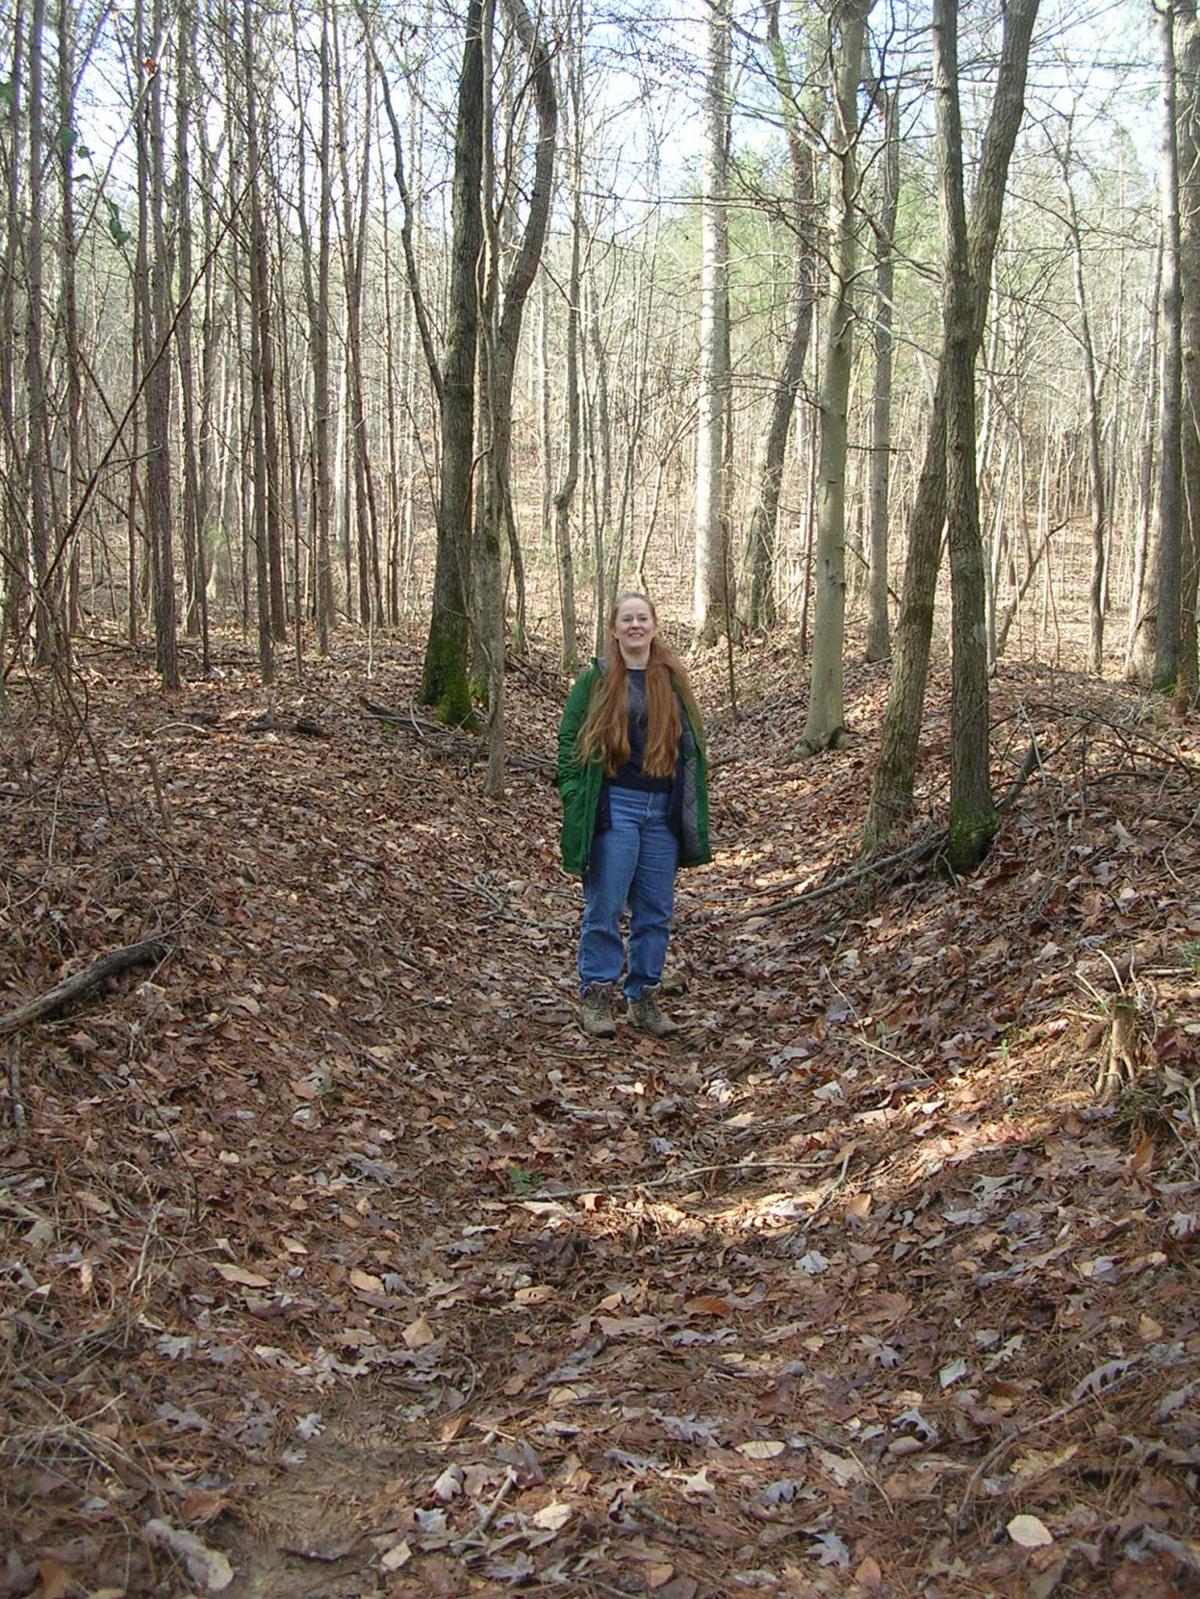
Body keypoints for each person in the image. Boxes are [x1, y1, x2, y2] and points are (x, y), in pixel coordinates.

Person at [556, 593, 710, 1039]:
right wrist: (572, 794)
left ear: (655, 626)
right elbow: (569, 739)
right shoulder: (597, 680)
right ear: (614, 629)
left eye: (643, 618)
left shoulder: (673, 680)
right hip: (615, 805)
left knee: (656, 911)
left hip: (661, 810)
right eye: (628, 619)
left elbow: (692, 748)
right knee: (604, 906)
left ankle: (643, 998)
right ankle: (598, 995)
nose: (636, 626)